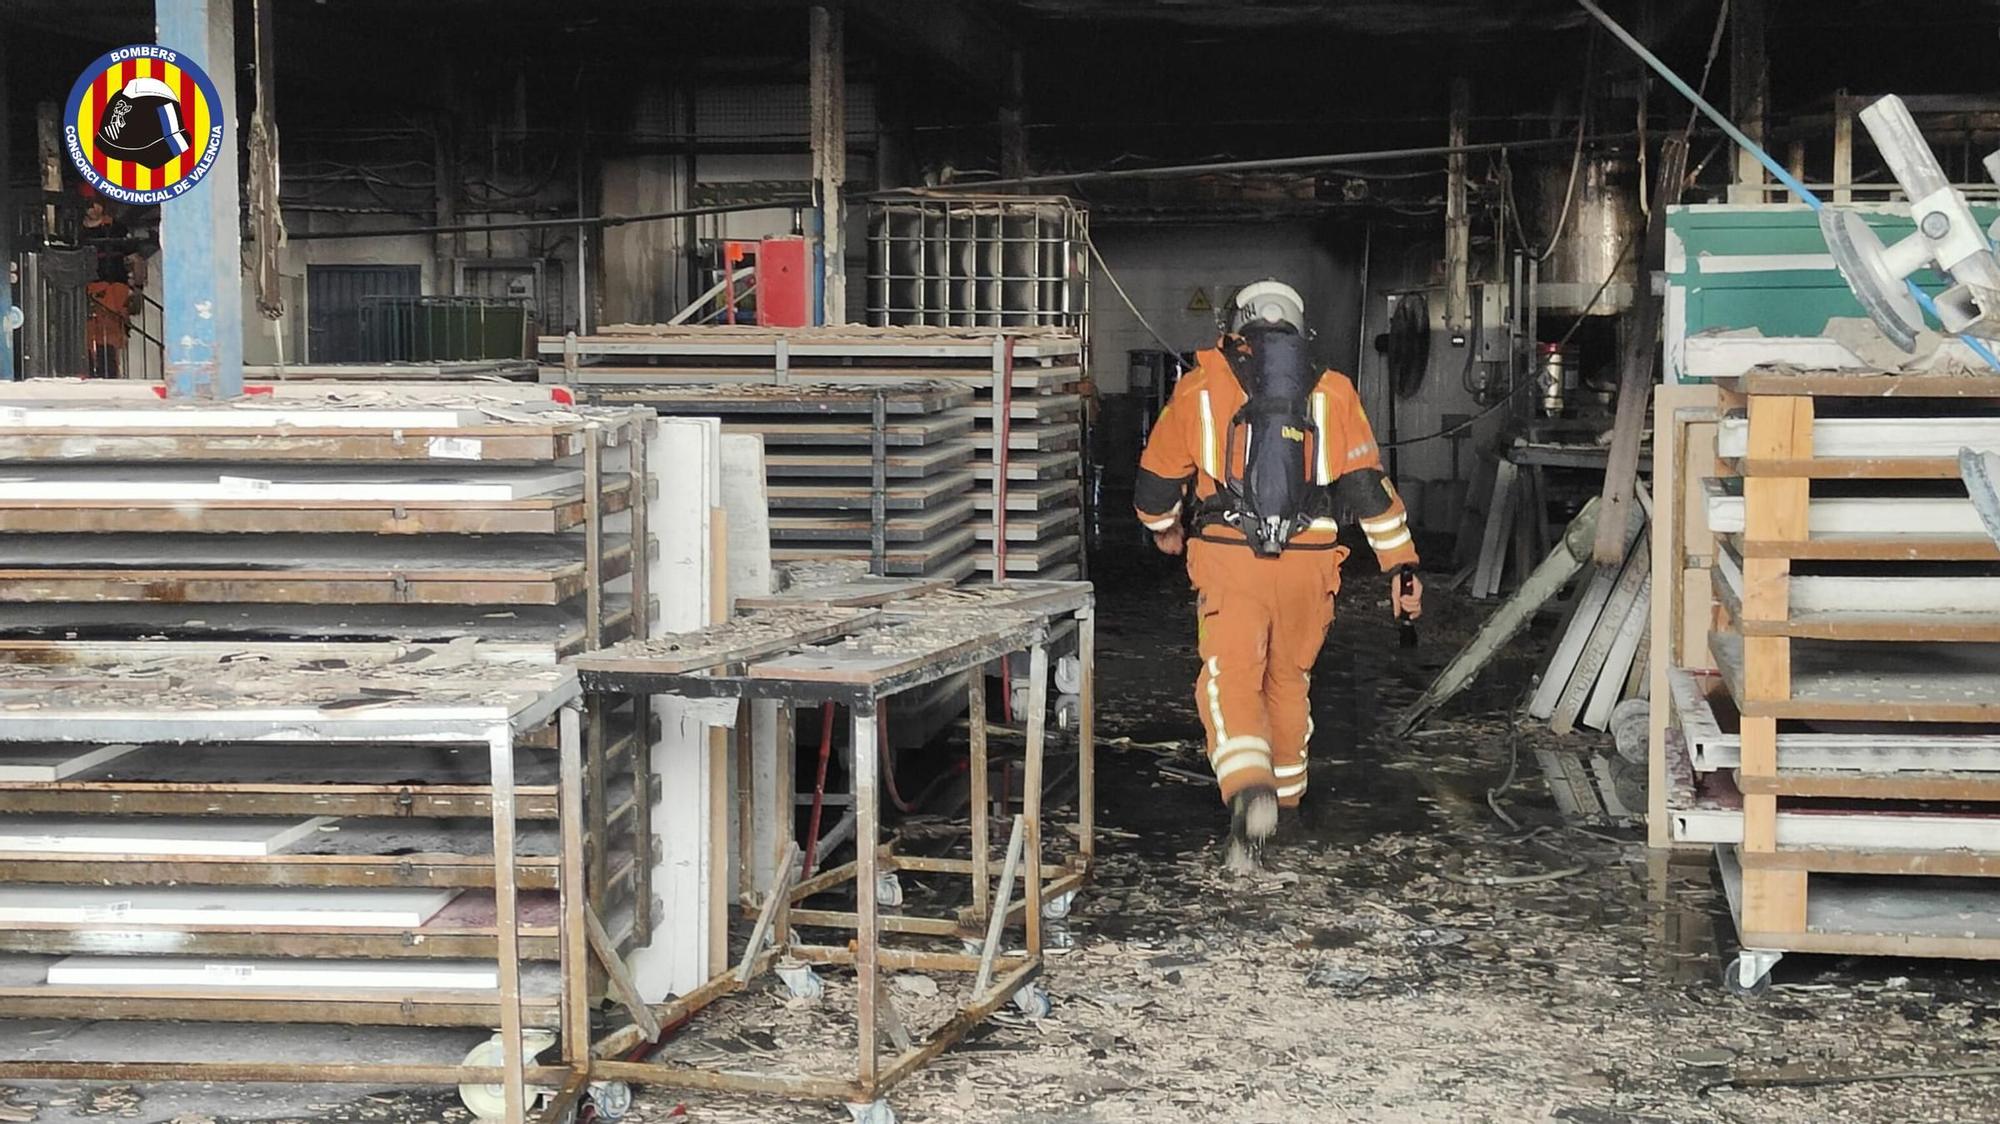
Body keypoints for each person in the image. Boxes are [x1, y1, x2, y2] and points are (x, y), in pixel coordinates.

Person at [1134, 280, 1424, 869]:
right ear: (1299, 329)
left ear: (1238, 326)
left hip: (1231, 559)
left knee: (1231, 678)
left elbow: (1155, 484)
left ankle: (1248, 790)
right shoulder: (1334, 390)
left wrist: (1163, 526)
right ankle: (1286, 807)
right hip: (1310, 566)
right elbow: (1368, 489)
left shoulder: (1201, 386)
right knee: (1288, 680)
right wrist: (1402, 566)